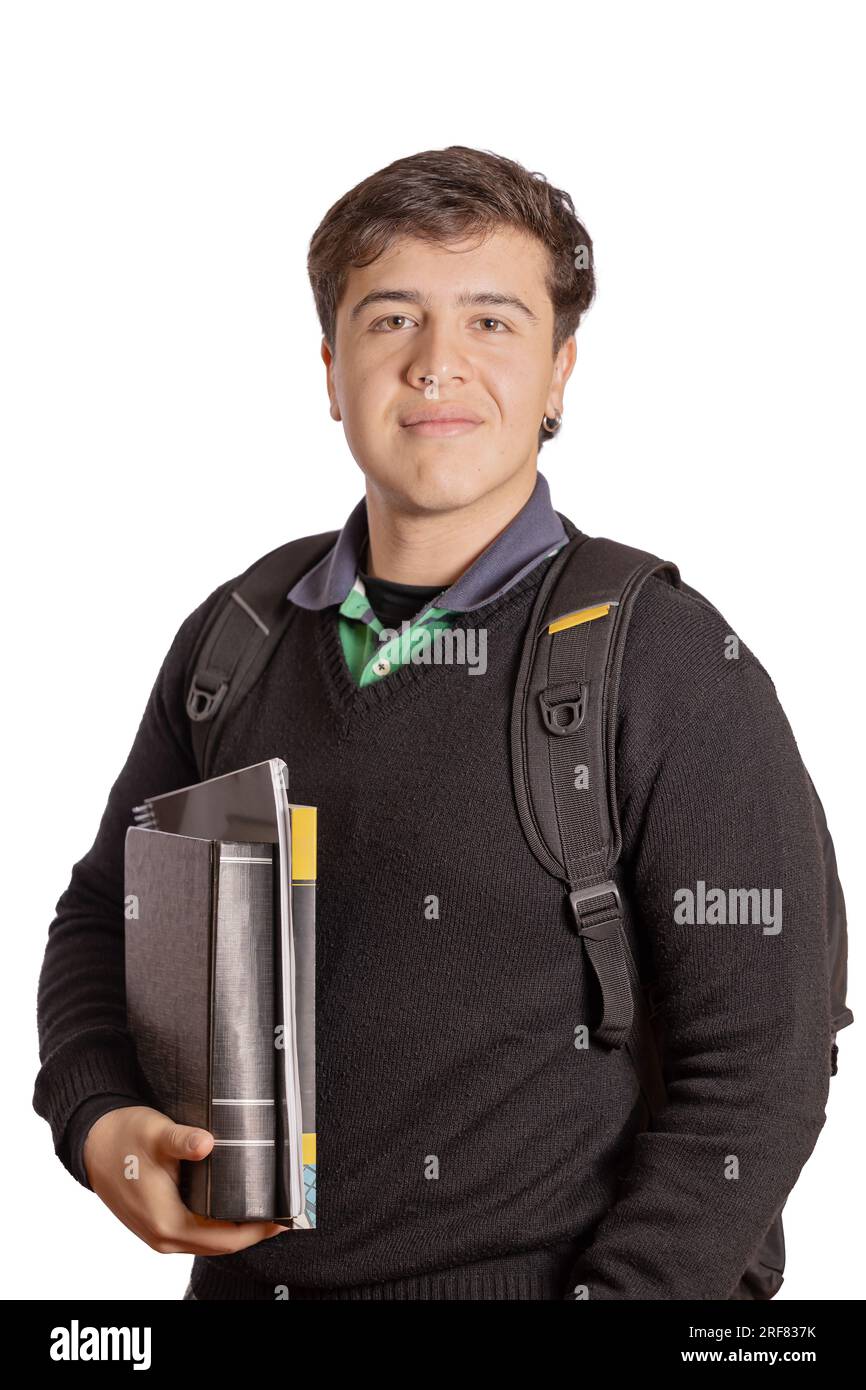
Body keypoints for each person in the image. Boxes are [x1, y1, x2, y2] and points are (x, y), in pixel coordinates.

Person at [33, 145, 832, 1300]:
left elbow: (760, 1076)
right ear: (329, 366)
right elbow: (103, 915)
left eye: (492, 323)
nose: (434, 365)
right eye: (390, 318)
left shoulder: (659, 659)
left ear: (560, 372)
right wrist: (100, 1119)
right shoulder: (236, 636)